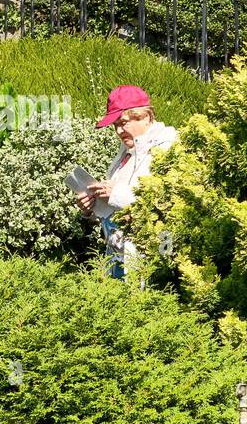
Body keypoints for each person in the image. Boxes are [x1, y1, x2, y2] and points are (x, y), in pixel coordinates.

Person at [75, 86, 177, 281]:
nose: (119, 131)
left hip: (151, 254)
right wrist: (91, 206)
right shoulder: (126, 151)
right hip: (119, 254)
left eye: (123, 123)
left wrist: (116, 194)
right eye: (115, 125)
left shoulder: (167, 147)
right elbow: (116, 207)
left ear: (145, 117)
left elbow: (164, 202)